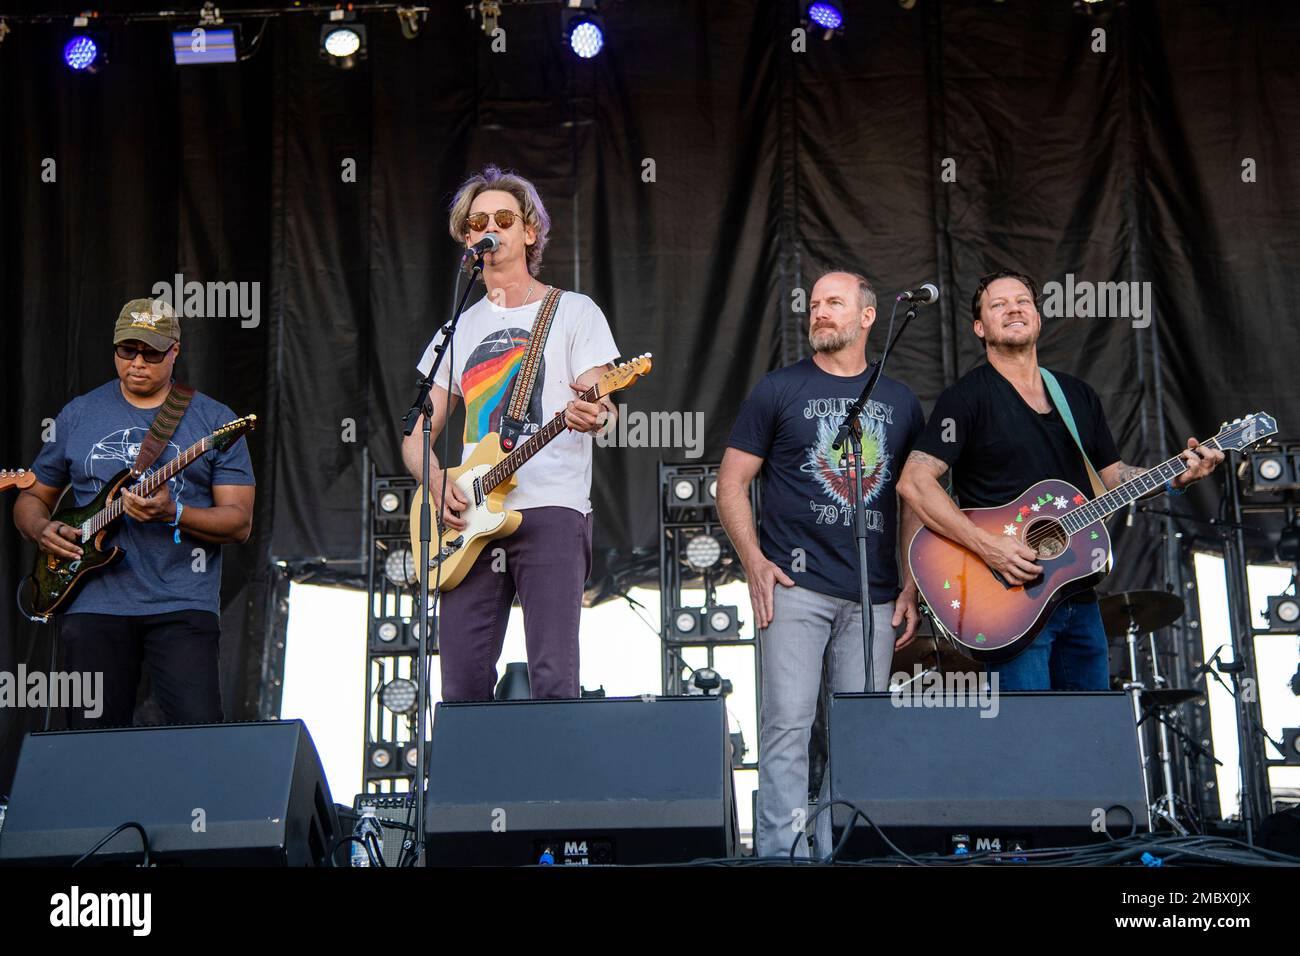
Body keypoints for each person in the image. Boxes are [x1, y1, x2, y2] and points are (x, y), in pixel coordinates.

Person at [898, 269, 1223, 691]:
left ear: (1037, 316)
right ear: (980, 327)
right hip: (1007, 598)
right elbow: (914, 482)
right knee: (1030, 740)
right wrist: (991, 547)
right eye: (998, 304)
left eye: (1023, 301)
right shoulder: (966, 399)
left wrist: (1177, 475)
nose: (1013, 308)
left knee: (1088, 737)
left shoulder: (1077, 396)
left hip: (1078, 594)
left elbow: (1116, 477)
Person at [717, 270, 924, 858]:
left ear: (866, 317)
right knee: (787, 724)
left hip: (875, 591)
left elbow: (916, 496)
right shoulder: (778, 389)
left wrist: (909, 584)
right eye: (813, 305)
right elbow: (730, 484)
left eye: (834, 303)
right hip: (795, 587)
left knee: (861, 732)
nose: (820, 313)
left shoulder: (900, 399)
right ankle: (783, 852)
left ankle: (842, 847)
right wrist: (753, 561)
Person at [402, 165, 619, 702]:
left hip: (550, 505)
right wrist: (435, 483)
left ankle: (555, 787)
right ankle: (471, 786)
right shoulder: (458, 328)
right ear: (466, 238)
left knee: (554, 679)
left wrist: (596, 410)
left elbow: (601, 396)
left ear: (529, 232)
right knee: (463, 686)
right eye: (477, 222)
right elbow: (414, 433)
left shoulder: (571, 312)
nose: (489, 229)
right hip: (470, 513)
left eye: (503, 218)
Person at [14, 297, 255, 727]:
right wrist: (41, 529)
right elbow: (32, 498)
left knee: (199, 736)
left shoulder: (214, 420)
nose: (138, 363)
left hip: (182, 601)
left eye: (151, 352)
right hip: (92, 600)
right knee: (92, 742)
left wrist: (173, 512)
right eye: (127, 351)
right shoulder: (79, 413)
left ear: (175, 351)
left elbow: (239, 522)